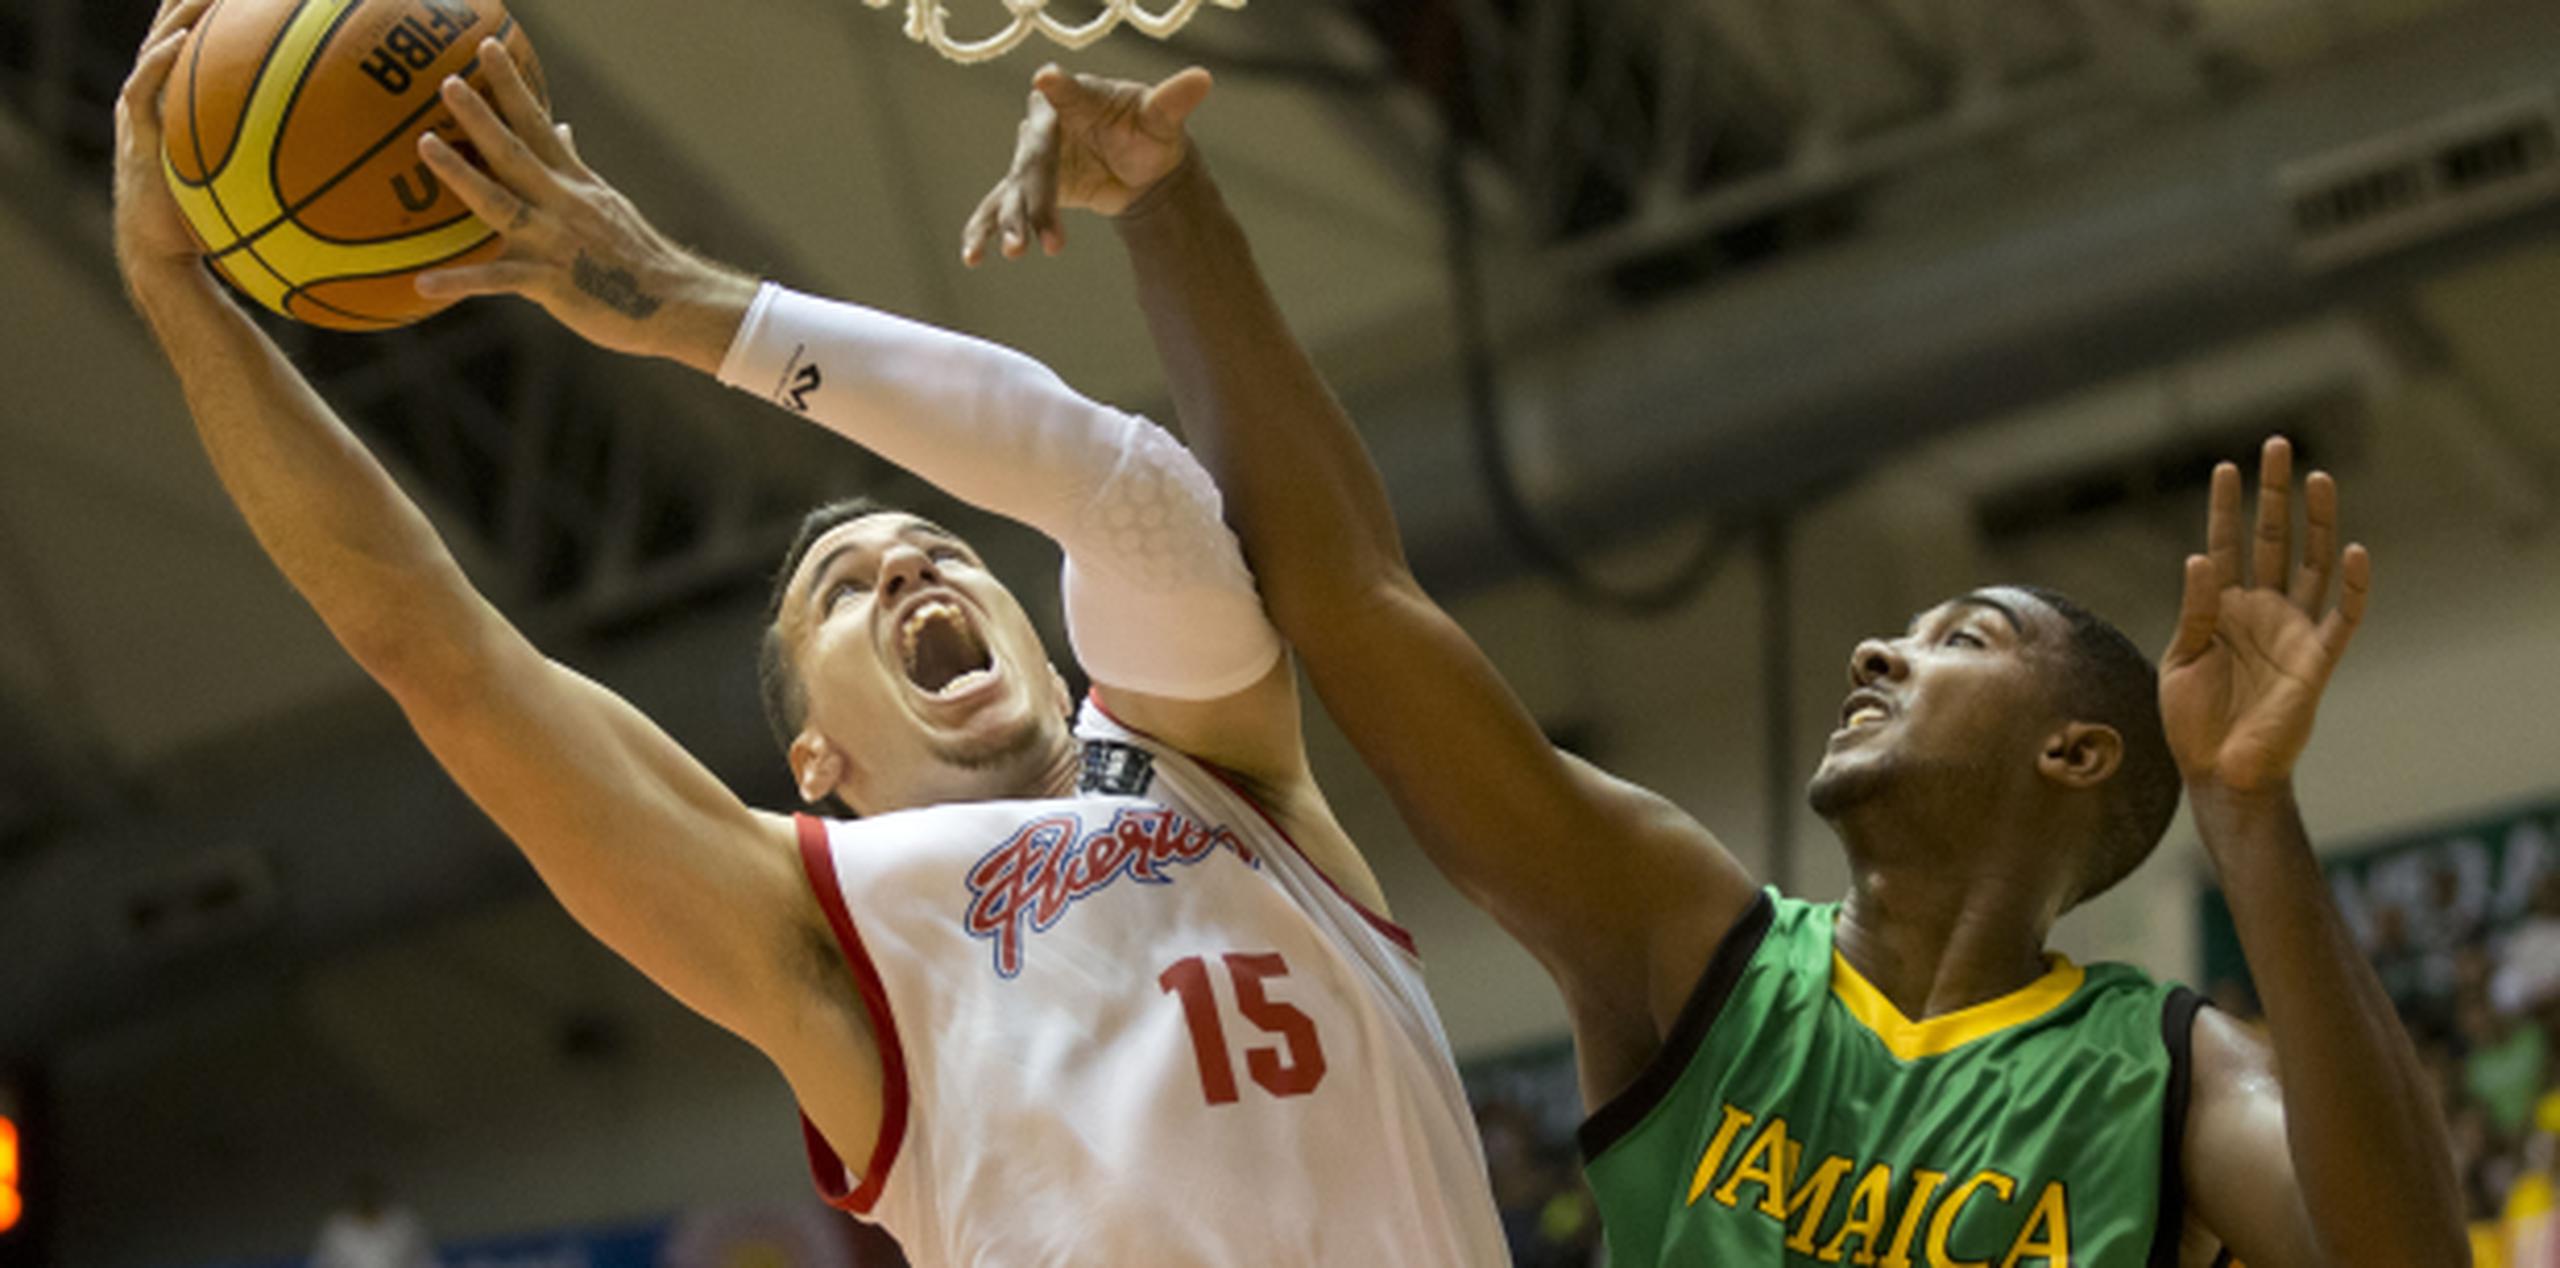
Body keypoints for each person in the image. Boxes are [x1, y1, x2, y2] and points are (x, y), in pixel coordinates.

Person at [965, 64, 2469, 1265]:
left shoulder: (2170, 1077)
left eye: (1965, 638)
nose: (1882, 644)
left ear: (2074, 753)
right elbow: (1355, 597)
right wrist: (1173, 212)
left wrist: (2251, 812)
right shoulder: (1688, 947)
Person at [110, 8, 1506, 1264]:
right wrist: (177, 299)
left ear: (1050, 643)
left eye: (944, 550)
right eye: (843, 587)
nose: (904, 564)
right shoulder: (829, 935)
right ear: (815, 758)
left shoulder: (1218, 766)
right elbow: (437, 651)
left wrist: (693, 310)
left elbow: (1123, 492)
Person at [310, 1174, 437, 1268]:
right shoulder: (336, 1228)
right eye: (361, 1194)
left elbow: (425, 1262)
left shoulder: (404, 1224)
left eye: (371, 1193)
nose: (366, 1199)